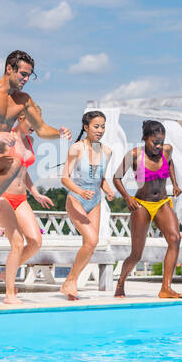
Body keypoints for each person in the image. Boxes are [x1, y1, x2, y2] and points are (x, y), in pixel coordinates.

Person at [0, 50, 69, 240]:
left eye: (29, 75)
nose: (26, 79)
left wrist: (59, 134)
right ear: (9, 68)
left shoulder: (23, 100)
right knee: (15, 162)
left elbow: (41, 129)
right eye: (23, 74)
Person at [113, 119, 182, 300]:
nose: (159, 146)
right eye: (155, 142)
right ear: (145, 138)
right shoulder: (134, 155)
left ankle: (166, 287)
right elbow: (116, 178)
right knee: (136, 254)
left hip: (161, 202)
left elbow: (170, 164)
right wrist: (127, 198)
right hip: (141, 205)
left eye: (161, 142)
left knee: (175, 238)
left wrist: (175, 184)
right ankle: (121, 282)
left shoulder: (167, 151)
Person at [0, 116, 55, 304]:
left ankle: (7, 273)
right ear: (21, 117)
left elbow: (23, 170)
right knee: (17, 244)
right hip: (2, 197)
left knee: (36, 241)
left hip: (21, 198)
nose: (35, 127)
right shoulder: (5, 139)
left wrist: (35, 193)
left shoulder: (30, 140)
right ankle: (9, 294)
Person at [59, 110, 116, 300]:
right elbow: (64, 178)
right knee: (92, 240)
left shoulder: (107, 151)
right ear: (86, 127)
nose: (100, 130)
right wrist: (80, 192)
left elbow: (101, 179)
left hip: (95, 201)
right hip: (76, 199)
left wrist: (108, 190)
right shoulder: (77, 148)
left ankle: (70, 282)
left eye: (103, 127)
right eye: (96, 126)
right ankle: (71, 280)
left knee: (90, 244)